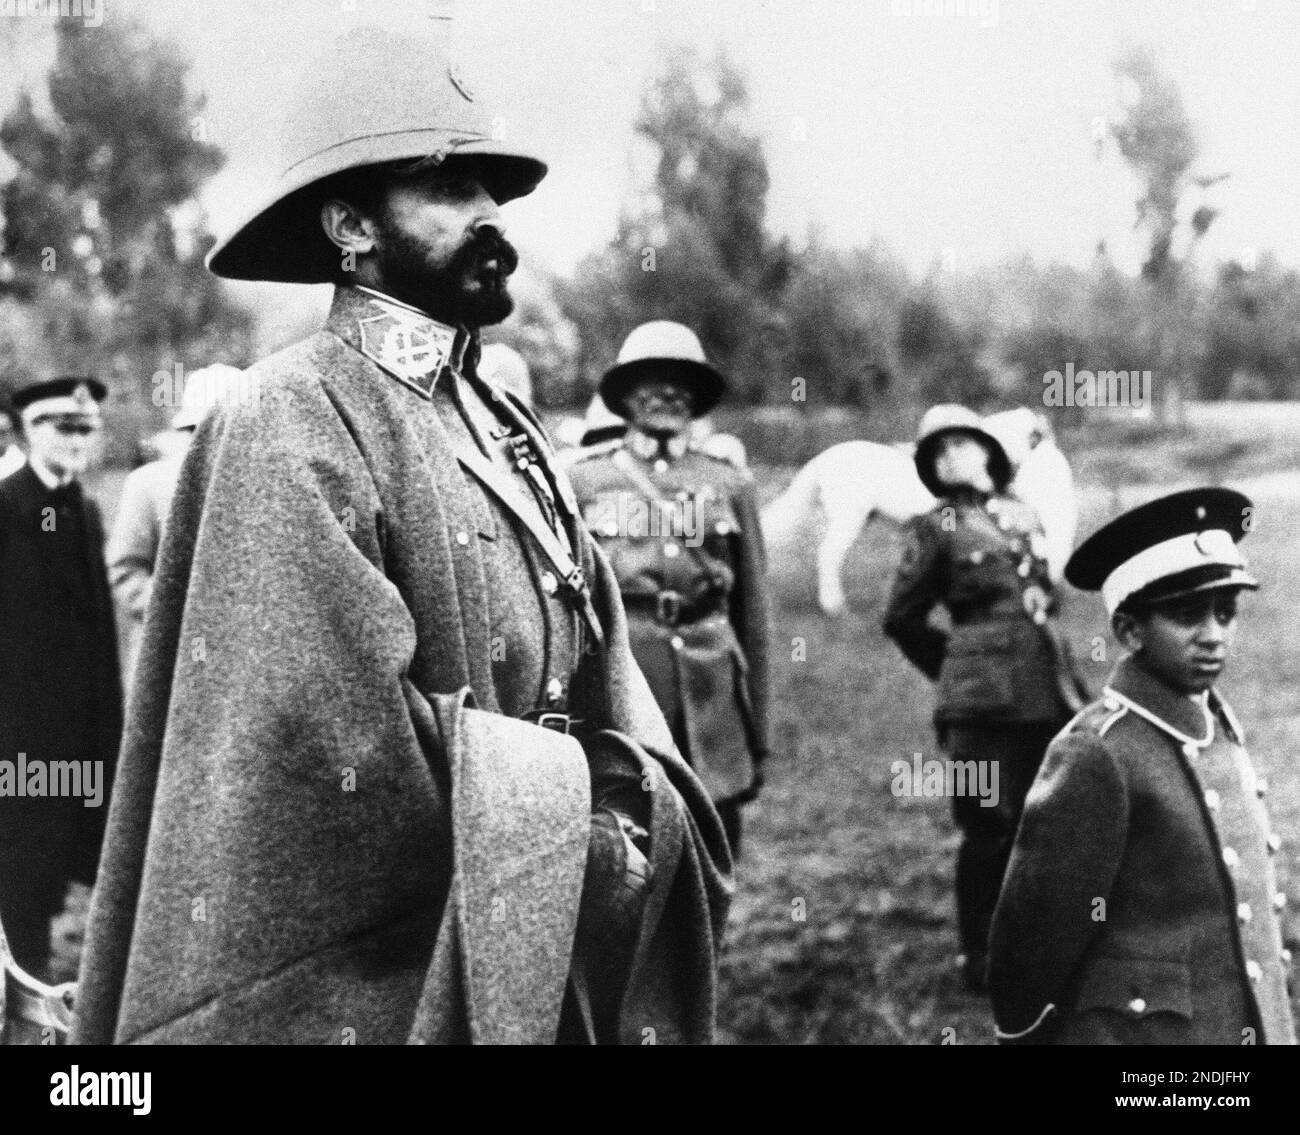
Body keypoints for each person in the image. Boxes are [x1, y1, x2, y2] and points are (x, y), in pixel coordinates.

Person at [73, 24, 730, 1047]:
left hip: (540, 953)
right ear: (349, 224)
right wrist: (578, 827)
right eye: (447, 190)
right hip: (386, 991)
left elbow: (599, 655)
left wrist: (638, 801)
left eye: (493, 193)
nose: (490, 220)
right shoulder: (288, 417)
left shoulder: (504, 423)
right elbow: (334, 755)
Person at [990, 488, 1295, 1045]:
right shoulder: (1101, 753)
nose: (1213, 635)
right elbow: (1035, 933)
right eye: (1186, 616)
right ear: (1130, 632)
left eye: (1225, 613)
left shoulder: (1215, 723)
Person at [882, 404, 1088, 991]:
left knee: (1044, 818)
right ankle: (982, 953)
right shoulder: (931, 528)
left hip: (1047, 687)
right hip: (980, 703)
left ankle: (1043, 939)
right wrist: (956, 668)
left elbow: (1047, 594)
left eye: (961, 443)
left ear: (988, 452)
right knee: (989, 827)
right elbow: (902, 617)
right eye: (937, 450)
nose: (951, 456)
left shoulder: (1022, 516)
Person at [566, 321, 771, 857]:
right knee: (629, 849)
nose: (667, 394)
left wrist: (758, 733)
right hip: (626, 688)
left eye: (681, 382)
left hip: (712, 693)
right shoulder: (584, 482)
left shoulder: (729, 483)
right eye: (650, 382)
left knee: (714, 845)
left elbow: (754, 614)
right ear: (625, 397)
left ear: (698, 398)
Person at [0, 376, 121, 980]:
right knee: (22, 866)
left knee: (73, 861)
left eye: (85, 429)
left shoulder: (84, 508)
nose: (75, 440)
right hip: (19, 732)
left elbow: (97, 628)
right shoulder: (5, 506)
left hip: (79, 731)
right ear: (28, 429)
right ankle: (19, 994)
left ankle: (57, 985)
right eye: (62, 428)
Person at [107, 364, 244, 678]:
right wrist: (180, 598)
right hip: (169, 656)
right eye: (203, 428)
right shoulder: (150, 483)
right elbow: (125, 571)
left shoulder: (264, 484)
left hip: (241, 658)